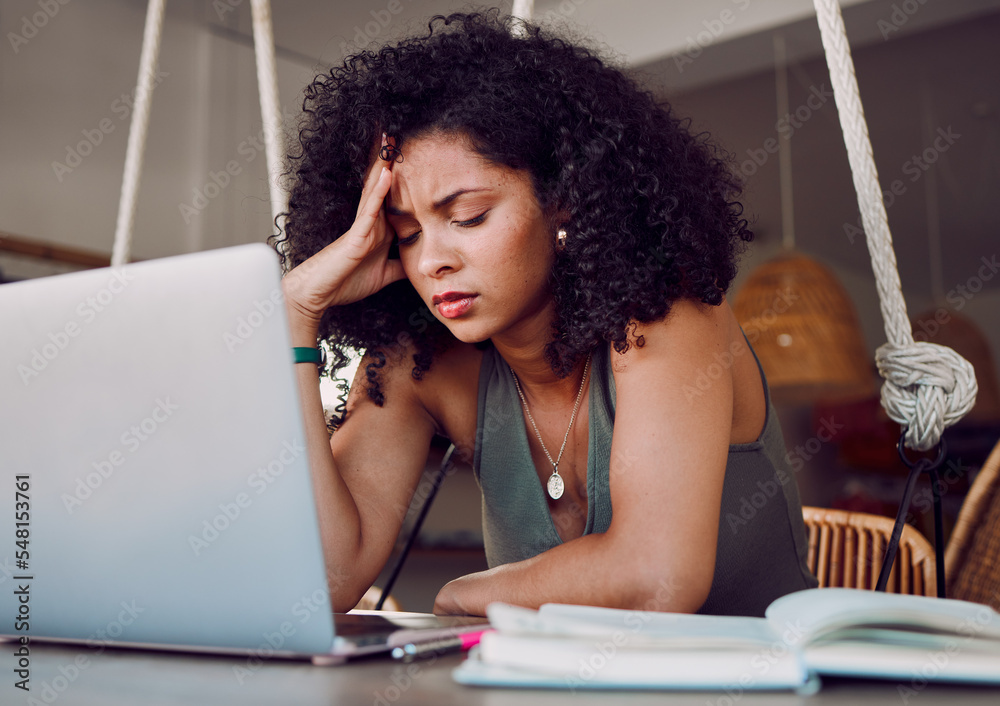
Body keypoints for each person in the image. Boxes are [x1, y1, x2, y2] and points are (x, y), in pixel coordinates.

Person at [274, 9, 817, 617]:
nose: (432, 261)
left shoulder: (666, 311)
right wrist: (294, 317)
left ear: (563, 199)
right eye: (405, 234)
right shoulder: (422, 367)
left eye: (469, 217)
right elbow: (321, 581)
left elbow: (656, 578)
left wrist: (460, 595)